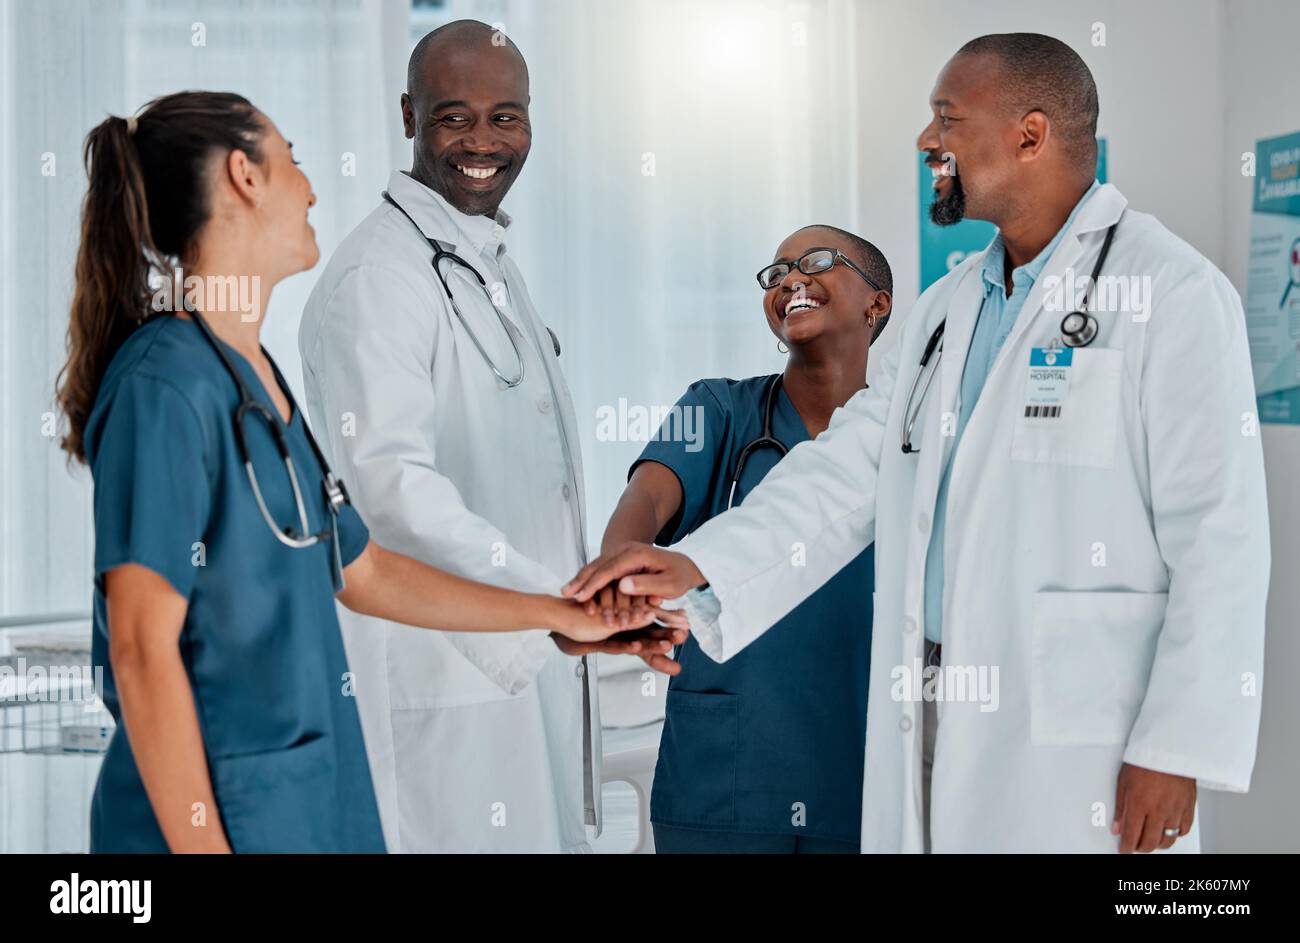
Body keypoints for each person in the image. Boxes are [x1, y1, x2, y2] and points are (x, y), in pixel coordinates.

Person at [567, 33, 1270, 854]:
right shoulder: (947, 309)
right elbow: (842, 473)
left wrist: (1175, 746)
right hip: (928, 710)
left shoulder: (1172, 294)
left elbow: (1219, 538)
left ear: (1030, 135)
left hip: (1083, 736)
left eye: (946, 118)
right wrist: (701, 564)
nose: (926, 142)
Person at [57, 91, 675, 854]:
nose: (312, 188)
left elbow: (367, 569)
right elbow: (140, 650)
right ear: (245, 178)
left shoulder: (254, 377)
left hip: (306, 805)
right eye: (295, 161)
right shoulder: (166, 384)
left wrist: (560, 612)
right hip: (204, 824)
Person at [298, 21, 673, 853]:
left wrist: (564, 612)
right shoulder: (381, 277)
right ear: (407, 114)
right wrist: (547, 612)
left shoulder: (484, 260)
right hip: (444, 684)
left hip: (520, 664)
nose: (482, 142)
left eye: (506, 117)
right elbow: (392, 493)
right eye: (454, 117)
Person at [597, 225, 892, 853]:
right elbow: (646, 499)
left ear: (878, 304)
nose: (789, 280)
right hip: (728, 778)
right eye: (776, 272)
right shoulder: (715, 410)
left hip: (863, 778)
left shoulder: (907, 437)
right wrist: (623, 571)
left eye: (816, 262)